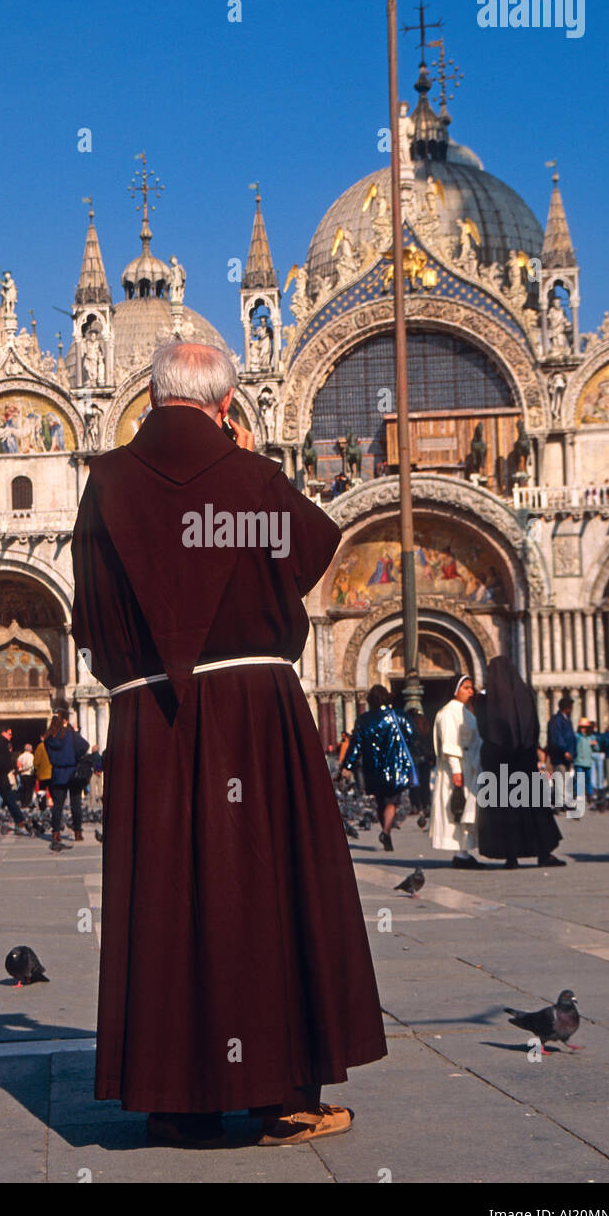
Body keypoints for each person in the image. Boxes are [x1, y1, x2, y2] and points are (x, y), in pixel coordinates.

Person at [71, 338, 385, 1148]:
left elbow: (90, 618)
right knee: (267, 891)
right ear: (224, 405)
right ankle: (281, 1096)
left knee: (169, 896)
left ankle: (177, 1100)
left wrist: (142, 669)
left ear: (149, 397)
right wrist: (255, 463)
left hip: (150, 718)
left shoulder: (104, 484)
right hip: (254, 713)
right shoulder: (248, 479)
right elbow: (314, 551)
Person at [476, 657, 564, 868]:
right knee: (533, 809)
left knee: (504, 811)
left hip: (498, 764)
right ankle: (544, 854)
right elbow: (534, 727)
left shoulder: (485, 701)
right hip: (524, 760)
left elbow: (483, 731)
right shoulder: (526, 695)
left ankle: (510, 857)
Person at [341, 685, 416, 851]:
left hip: (373, 768)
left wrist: (347, 766)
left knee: (381, 800)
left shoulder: (364, 719)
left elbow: (355, 745)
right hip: (395, 766)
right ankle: (386, 831)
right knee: (392, 802)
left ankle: (386, 832)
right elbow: (411, 736)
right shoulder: (399, 716)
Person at [431, 675, 482, 867]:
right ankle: (460, 854)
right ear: (455, 690)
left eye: (471, 688)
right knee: (458, 809)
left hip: (470, 766)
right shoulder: (447, 713)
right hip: (459, 769)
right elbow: (450, 745)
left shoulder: (465, 712)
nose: (471, 691)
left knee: (466, 810)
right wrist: (456, 772)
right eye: (466, 688)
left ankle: (464, 851)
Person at [45, 707, 89, 849]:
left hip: (58, 773)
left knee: (57, 806)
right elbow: (85, 746)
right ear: (65, 720)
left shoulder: (49, 738)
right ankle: (77, 832)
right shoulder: (71, 734)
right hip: (73, 772)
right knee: (75, 804)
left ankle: (56, 832)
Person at [574, 719, 595, 802]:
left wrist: (595, 744)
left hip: (588, 762)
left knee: (588, 779)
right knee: (579, 778)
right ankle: (577, 794)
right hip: (579, 761)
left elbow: (596, 748)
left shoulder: (591, 737)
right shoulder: (577, 736)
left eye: (585, 727)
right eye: (582, 727)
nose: (583, 729)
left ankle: (589, 795)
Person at [17, 744, 36, 809]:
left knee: (23, 789)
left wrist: (21, 770)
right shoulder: (31, 756)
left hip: (22, 774)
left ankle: (23, 803)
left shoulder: (20, 756)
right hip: (29, 774)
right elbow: (31, 766)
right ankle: (27, 803)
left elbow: (18, 765)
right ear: (30, 749)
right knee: (29, 790)